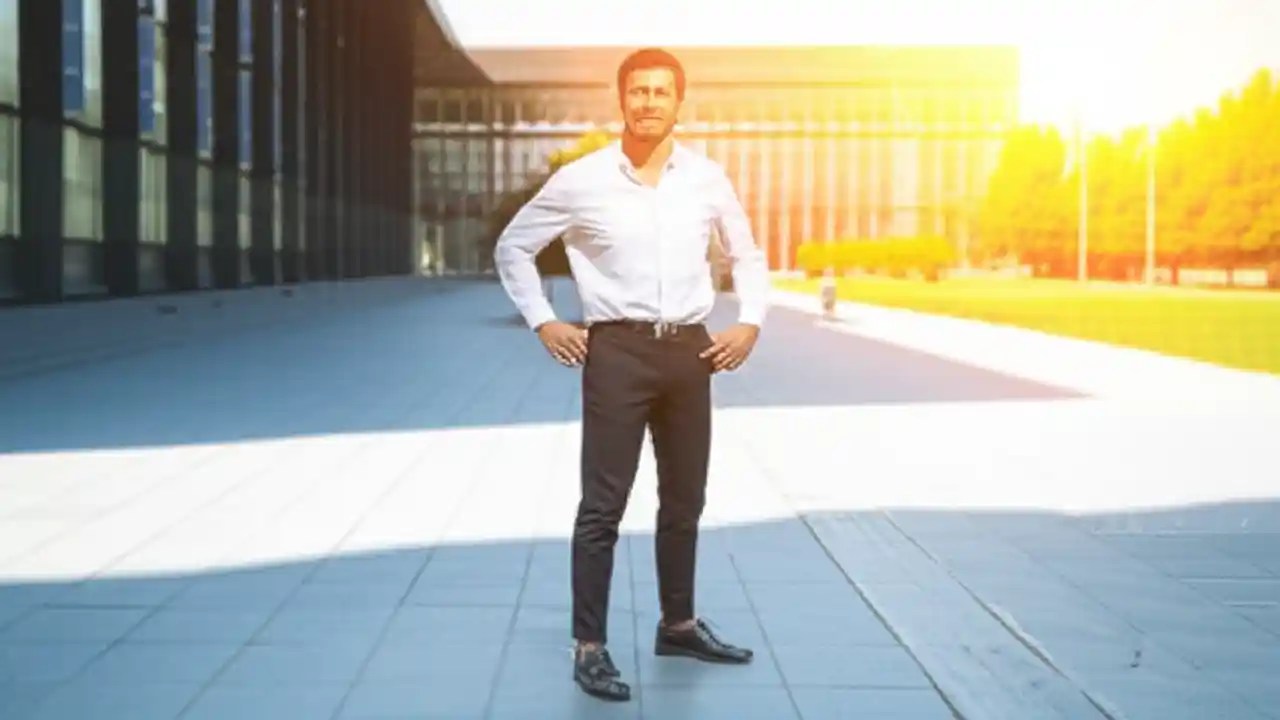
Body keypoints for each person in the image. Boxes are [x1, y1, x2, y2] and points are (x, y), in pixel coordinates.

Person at [492, 47, 769, 702]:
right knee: (602, 507)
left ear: (678, 102)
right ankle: (589, 646)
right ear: (622, 99)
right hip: (617, 352)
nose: (648, 102)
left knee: (685, 499)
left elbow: (747, 254)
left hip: (691, 353)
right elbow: (513, 247)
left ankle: (678, 625)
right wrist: (543, 320)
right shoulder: (582, 180)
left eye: (660, 92)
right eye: (638, 91)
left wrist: (750, 321)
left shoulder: (706, 178)